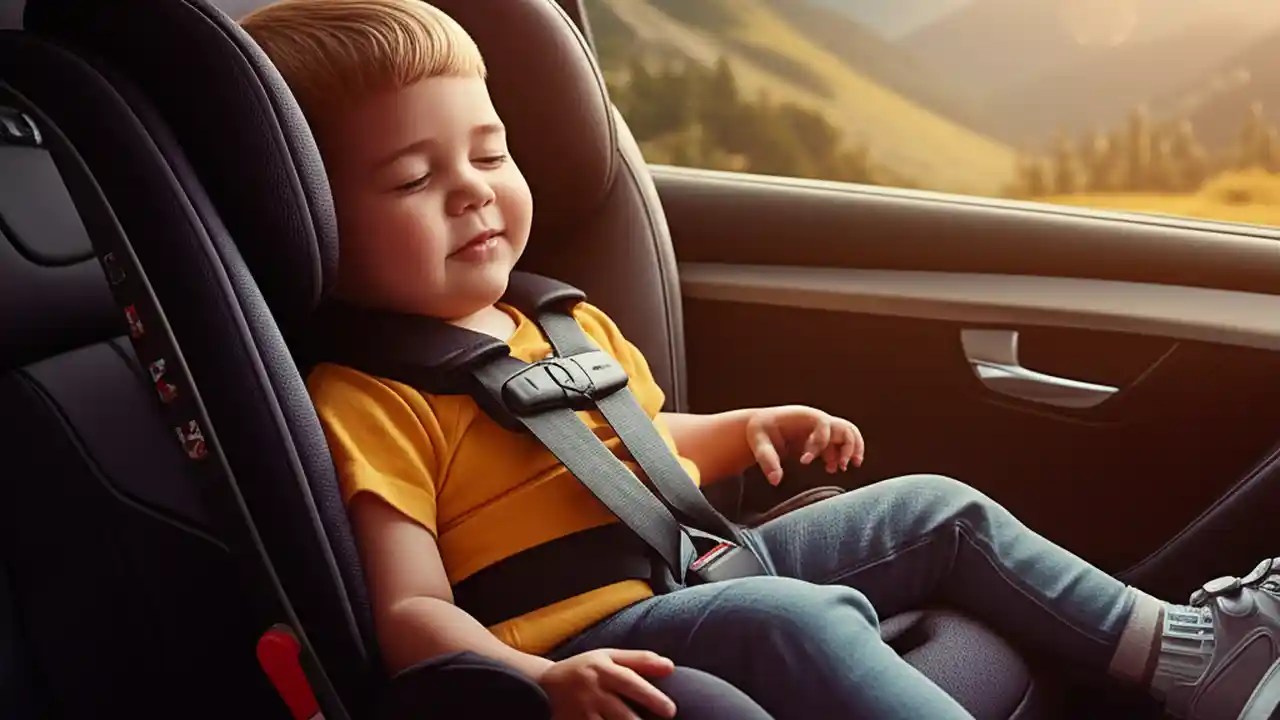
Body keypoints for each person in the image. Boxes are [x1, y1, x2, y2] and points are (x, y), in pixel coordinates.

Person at [239, 1, 1280, 718]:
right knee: (796, 616)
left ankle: (1191, 654)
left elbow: (643, 448)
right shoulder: (367, 399)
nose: (471, 191)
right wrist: (529, 679)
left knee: (935, 506)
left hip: (698, 557)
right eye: (413, 179)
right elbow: (409, 610)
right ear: (316, 225)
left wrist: (746, 433)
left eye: (488, 153)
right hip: (597, 635)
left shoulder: (561, 324)